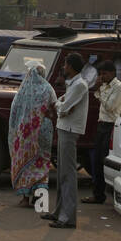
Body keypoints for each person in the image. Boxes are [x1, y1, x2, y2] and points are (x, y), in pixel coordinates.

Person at [45, 52, 88, 229]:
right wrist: (61, 105)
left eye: (65, 65)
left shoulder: (79, 85)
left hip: (69, 130)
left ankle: (67, 217)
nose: (63, 68)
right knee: (62, 171)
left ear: (70, 66)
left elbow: (63, 108)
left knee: (68, 174)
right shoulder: (75, 84)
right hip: (64, 128)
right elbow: (63, 106)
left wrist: (59, 105)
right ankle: (59, 212)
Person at [9, 62, 56, 207]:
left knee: (26, 161)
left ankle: (25, 199)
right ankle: (40, 201)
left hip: (25, 133)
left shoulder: (22, 90)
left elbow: (14, 113)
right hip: (43, 130)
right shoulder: (48, 89)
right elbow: (55, 109)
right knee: (41, 162)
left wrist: (14, 131)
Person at [84, 60, 121, 205]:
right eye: (100, 74)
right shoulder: (104, 86)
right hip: (102, 125)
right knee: (97, 161)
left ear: (113, 73)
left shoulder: (118, 87)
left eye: (105, 74)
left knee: (105, 160)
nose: (102, 77)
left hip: (111, 126)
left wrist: (100, 91)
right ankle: (98, 194)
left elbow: (109, 107)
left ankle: (107, 193)